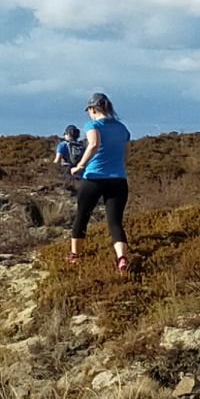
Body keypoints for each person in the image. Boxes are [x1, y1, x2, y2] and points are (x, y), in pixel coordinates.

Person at [69, 94, 132, 273]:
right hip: (118, 180)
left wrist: (79, 166)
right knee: (115, 222)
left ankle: (75, 256)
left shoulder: (92, 125)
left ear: (93, 109)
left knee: (82, 216)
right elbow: (126, 151)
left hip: (94, 178)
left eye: (89, 110)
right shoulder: (122, 128)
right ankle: (121, 258)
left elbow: (94, 144)